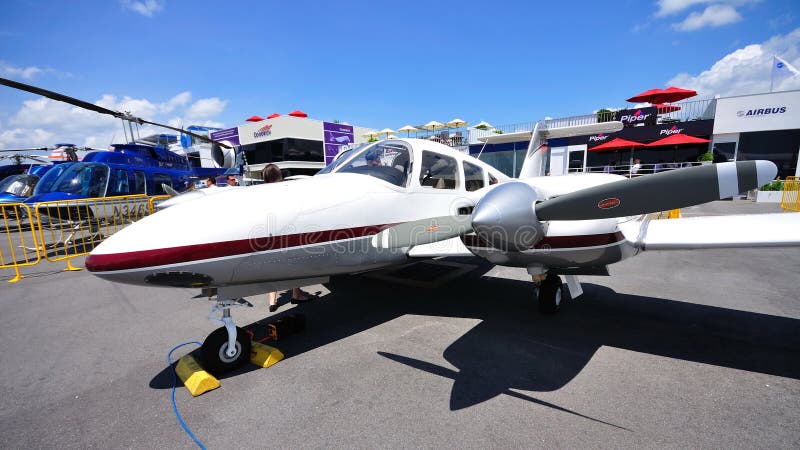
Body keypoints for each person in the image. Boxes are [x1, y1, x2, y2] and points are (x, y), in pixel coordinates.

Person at [263, 163, 316, 312]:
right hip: (287, 232)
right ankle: (296, 294)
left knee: (272, 267)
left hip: (269, 234)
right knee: (294, 265)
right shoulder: (286, 190)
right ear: (279, 175)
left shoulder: (262, 193)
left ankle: (272, 301)